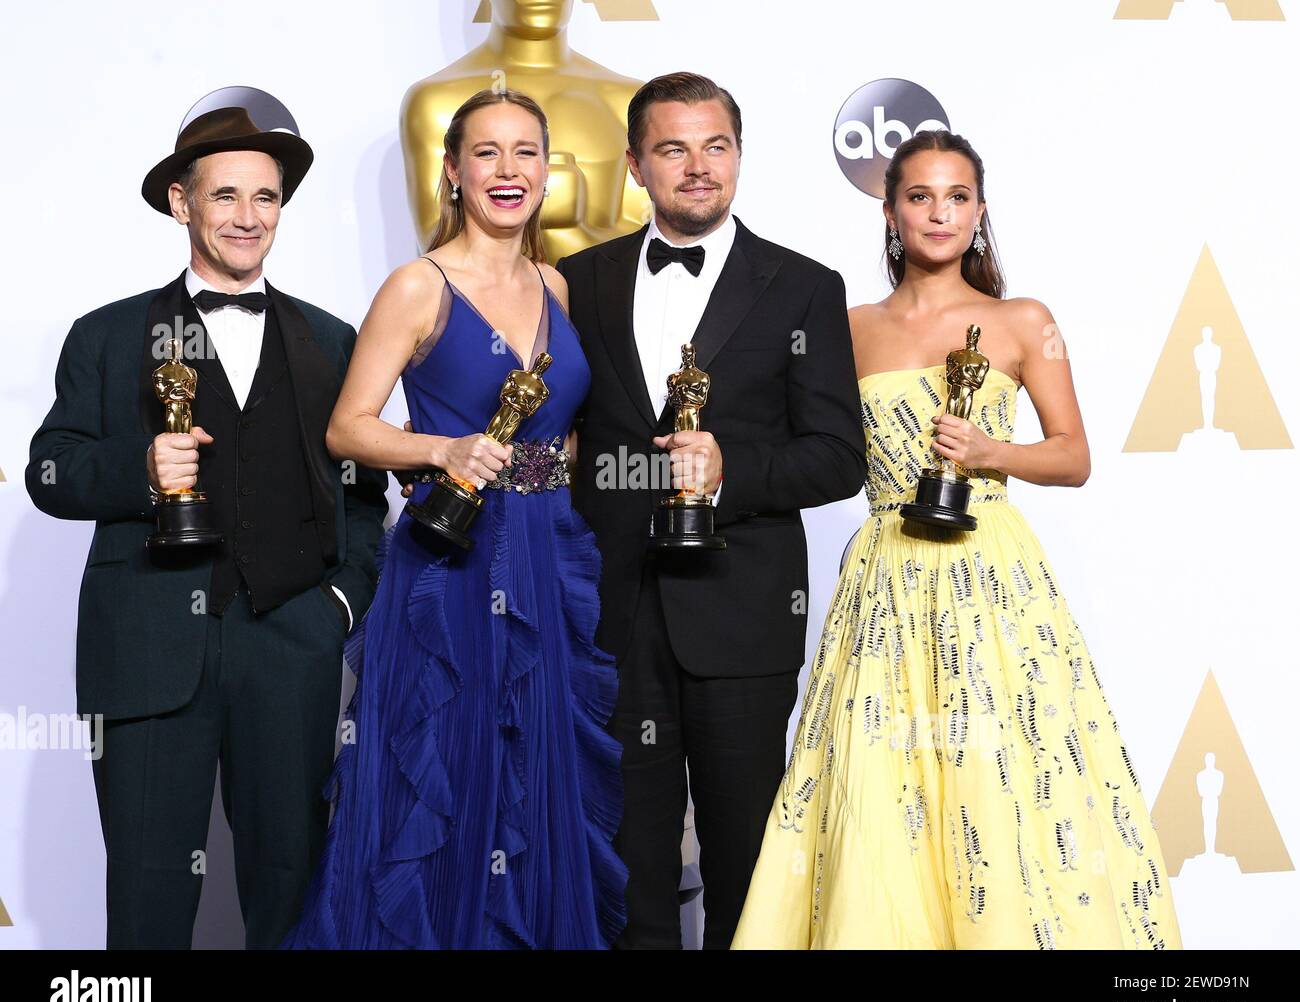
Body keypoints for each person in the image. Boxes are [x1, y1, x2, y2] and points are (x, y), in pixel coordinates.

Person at [732, 129, 1183, 950]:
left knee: (997, 770)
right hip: (885, 573)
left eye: (957, 197)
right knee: (874, 778)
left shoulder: (1021, 320)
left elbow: (1073, 456)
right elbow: (815, 452)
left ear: (979, 212)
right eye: (919, 196)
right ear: (889, 211)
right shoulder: (845, 325)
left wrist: (991, 454)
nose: (939, 214)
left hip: (988, 571)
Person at [25, 102, 388, 949]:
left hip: (290, 647)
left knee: (290, 886)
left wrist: (337, 606)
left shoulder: (336, 342)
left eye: (265, 198)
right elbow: (50, 469)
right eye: (225, 196)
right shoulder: (107, 336)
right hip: (148, 654)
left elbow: (365, 498)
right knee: (148, 901)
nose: (247, 217)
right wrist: (138, 469)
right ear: (181, 203)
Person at [281, 87, 627, 949]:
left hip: (550, 556)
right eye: (487, 153)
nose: (507, 171)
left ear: (549, 171)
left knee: (541, 775)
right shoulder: (418, 285)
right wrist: (440, 451)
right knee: (454, 770)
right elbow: (347, 427)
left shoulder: (557, 284)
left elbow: (563, 431)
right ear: (452, 172)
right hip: (456, 564)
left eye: (525, 153)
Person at [555, 72, 867, 949]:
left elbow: (840, 457)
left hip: (742, 610)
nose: (697, 168)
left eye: (715, 146)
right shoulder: (578, 281)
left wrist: (731, 469)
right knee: (628, 859)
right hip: (613, 610)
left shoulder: (803, 287)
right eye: (672, 149)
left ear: (738, 155)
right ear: (633, 165)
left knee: (745, 857)